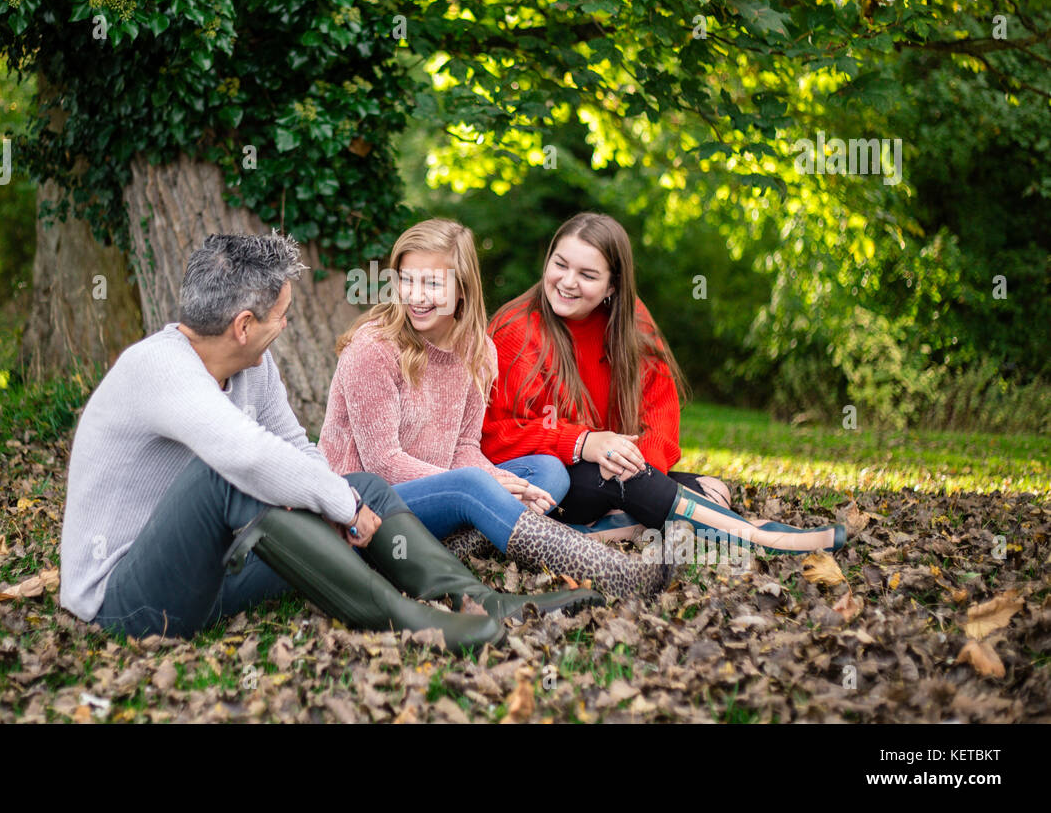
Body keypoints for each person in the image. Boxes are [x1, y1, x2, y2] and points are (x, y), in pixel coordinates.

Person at [58, 232, 595, 651]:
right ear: (244, 325)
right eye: (282, 315)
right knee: (227, 477)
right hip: (128, 602)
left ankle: (479, 600)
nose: (287, 325)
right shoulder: (156, 368)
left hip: (215, 572)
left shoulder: (254, 364)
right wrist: (340, 505)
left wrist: (346, 498)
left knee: (364, 485)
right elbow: (246, 455)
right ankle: (406, 620)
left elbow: (294, 444)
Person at [319, 218, 674, 600]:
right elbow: (382, 464)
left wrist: (495, 479)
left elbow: (465, 447)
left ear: (462, 290)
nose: (416, 296)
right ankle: (607, 570)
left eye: (433, 284)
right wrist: (484, 484)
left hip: (440, 494)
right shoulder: (374, 349)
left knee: (547, 472)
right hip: (364, 505)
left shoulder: (478, 351)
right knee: (476, 485)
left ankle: (460, 544)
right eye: (407, 280)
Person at [482, 212, 846, 555]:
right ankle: (757, 537)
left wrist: (647, 469)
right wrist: (583, 442)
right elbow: (492, 436)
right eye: (559, 265)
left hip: (609, 471)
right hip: (547, 485)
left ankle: (612, 526)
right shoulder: (516, 330)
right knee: (637, 483)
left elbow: (661, 409)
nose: (567, 281)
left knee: (711, 491)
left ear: (613, 285)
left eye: (588, 275)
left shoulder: (628, 321)